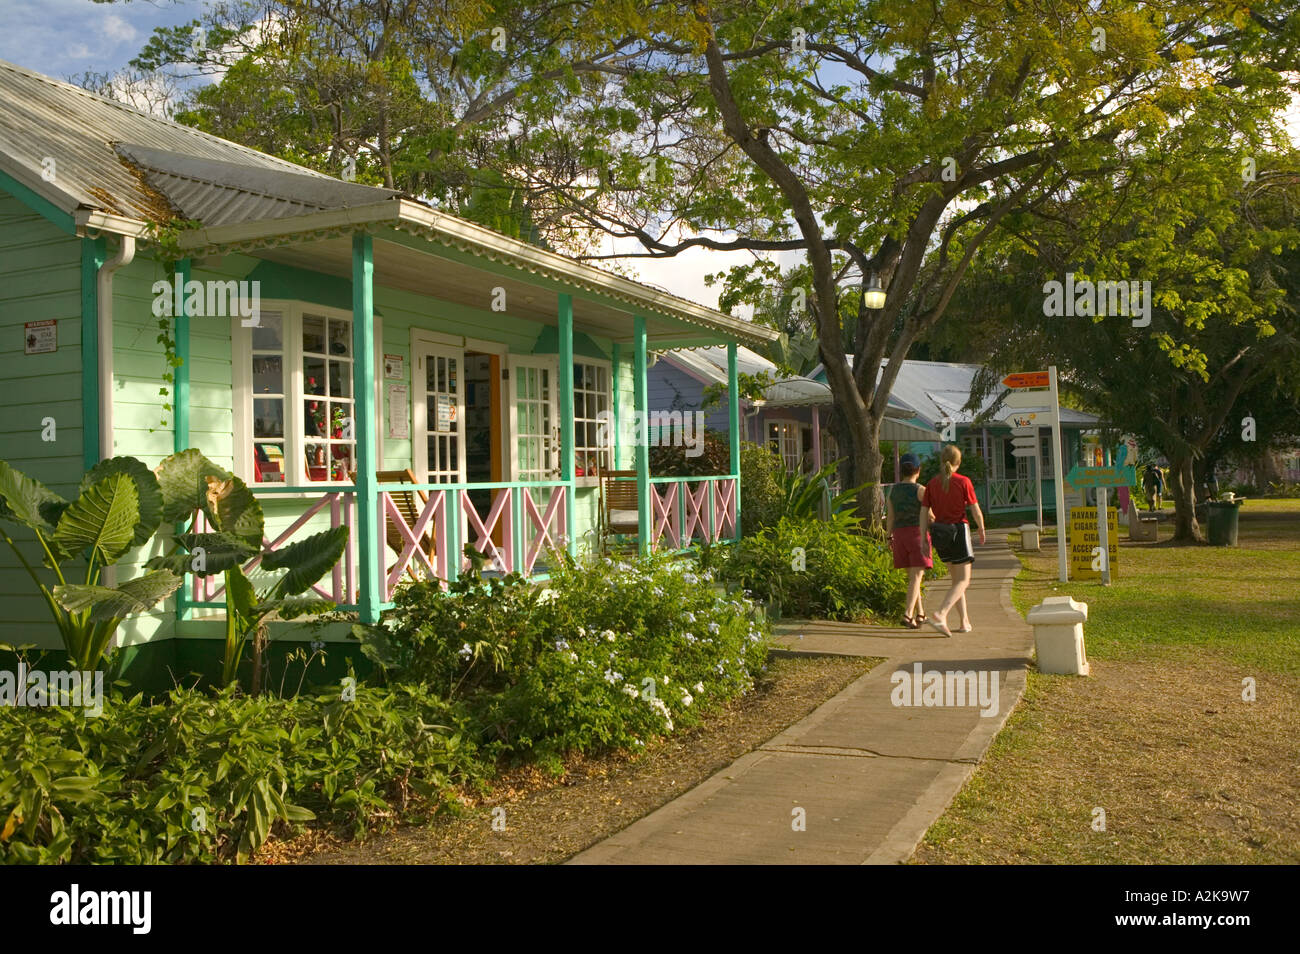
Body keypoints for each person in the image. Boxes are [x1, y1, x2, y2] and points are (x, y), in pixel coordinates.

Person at [921, 444, 986, 637]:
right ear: (959, 462)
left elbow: (924, 512)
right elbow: (974, 508)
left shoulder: (932, 484)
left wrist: (924, 537)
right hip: (958, 530)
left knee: (957, 581)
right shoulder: (963, 481)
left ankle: (964, 621)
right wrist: (981, 527)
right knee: (964, 580)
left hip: (940, 533)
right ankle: (941, 614)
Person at [886, 453, 932, 629]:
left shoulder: (893, 490)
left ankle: (920, 615)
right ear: (918, 470)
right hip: (917, 535)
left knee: (914, 578)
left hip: (899, 536)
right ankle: (907, 615)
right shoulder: (921, 490)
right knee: (917, 577)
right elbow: (930, 515)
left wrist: (889, 536)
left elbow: (890, 517)